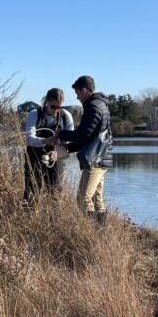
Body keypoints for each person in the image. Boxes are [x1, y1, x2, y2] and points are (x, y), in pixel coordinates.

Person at [58, 75, 112, 220]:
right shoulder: (102, 104)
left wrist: (61, 134)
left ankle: (91, 233)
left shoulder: (93, 106)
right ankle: (101, 234)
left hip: (96, 159)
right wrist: (69, 148)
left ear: (83, 90)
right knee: (97, 200)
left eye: (77, 93)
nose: (77, 98)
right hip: (102, 158)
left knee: (83, 199)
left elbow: (83, 133)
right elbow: (90, 136)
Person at [23, 88, 74, 203]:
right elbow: (29, 138)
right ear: (47, 102)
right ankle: (28, 216)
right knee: (31, 191)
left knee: (55, 192)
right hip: (34, 155)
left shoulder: (66, 117)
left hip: (57, 156)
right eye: (53, 107)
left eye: (59, 107)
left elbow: (70, 141)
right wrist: (45, 141)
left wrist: (58, 149)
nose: (56, 110)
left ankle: (53, 219)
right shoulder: (34, 114)